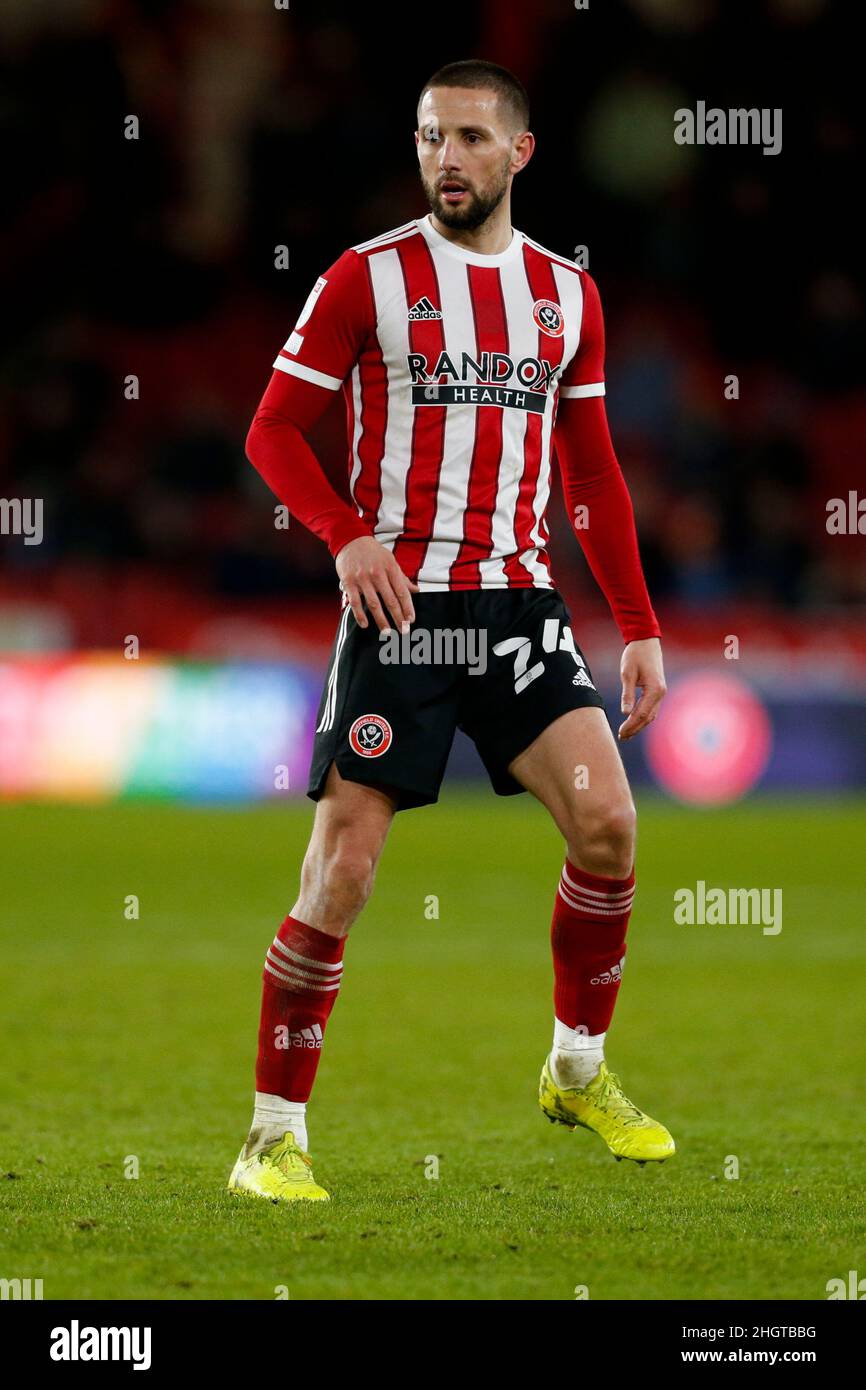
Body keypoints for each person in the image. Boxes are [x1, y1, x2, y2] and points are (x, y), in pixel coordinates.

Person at [228, 59, 672, 1204]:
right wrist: (341, 534)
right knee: (344, 871)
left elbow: (592, 470)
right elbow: (273, 429)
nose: (446, 160)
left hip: (519, 604)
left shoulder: (566, 296)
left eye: (470, 139)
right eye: (430, 138)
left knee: (609, 825)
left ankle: (576, 1069)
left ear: (518, 153)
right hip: (401, 610)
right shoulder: (362, 279)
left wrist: (635, 624)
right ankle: (270, 1141)